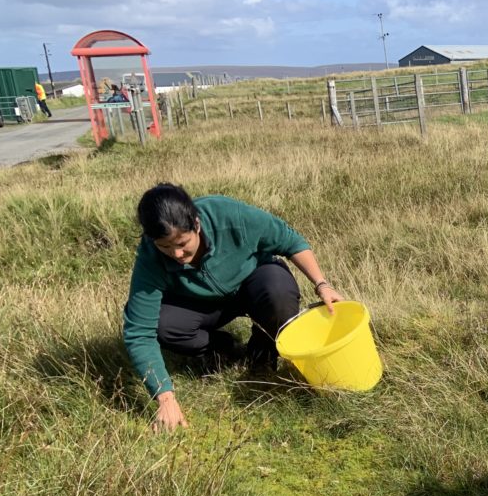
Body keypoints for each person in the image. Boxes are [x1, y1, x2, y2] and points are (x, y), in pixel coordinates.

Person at [124, 183, 344, 432]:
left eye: (183, 242)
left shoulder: (229, 215)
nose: (176, 253)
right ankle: (225, 350)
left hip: (255, 281)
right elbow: (139, 332)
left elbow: (290, 241)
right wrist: (165, 397)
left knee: (279, 294)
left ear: (196, 224)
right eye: (165, 246)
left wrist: (322, 284)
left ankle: (263, 352)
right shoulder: (150, 257)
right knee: (165, 325)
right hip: (203, 304)